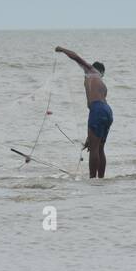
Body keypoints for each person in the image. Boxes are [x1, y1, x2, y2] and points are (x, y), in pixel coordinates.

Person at [55, 46, 111, 178]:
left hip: (97, 110)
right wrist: (89, 138)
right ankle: (101, 179)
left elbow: (76, 57)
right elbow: (101, 109)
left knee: (94, 149)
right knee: (100, 148)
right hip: (107, 112)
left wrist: (62, 49)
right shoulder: (102, 84)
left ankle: (92, 180)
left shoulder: (91, 70)